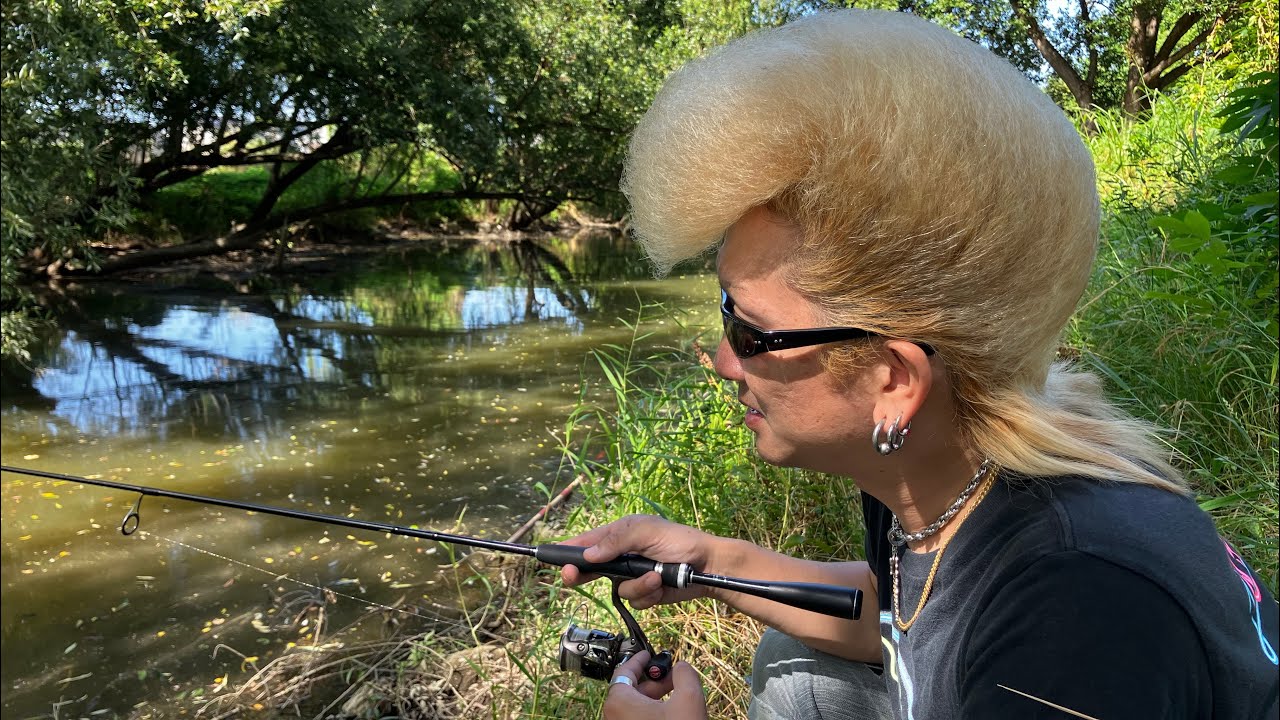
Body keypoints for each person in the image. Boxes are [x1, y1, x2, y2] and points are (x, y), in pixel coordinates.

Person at [560, 8, 1280, 720]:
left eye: (751, 334)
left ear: (894, 382)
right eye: (725, 311)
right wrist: (708, 561)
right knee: (794, 670)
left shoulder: (1078, 613)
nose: (721, 361)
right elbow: (905, 614)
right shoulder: (942, 463)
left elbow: (1009, 630)